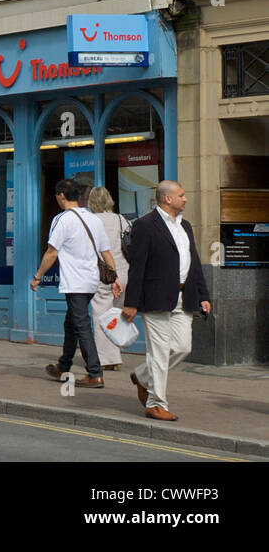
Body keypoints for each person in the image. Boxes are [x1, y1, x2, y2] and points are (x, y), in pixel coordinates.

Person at [122, 180, 211, 422]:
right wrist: (131, 302)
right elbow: (137, 266)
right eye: (181, 195)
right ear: (167, 199)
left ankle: (141, 375)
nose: (186, 199)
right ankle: (155, 404)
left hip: (185, 296)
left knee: (183, 347)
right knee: (159, 353)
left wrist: (203, 295)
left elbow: (194, 263)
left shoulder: (186, 226)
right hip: (156, 297)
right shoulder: (145, 226)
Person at [30, 179, 121, 388]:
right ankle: (63, 365)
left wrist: (38, 276)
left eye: (56, 195)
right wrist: (114, 278)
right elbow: (105, 252)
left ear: (61, 195)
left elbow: (52, 252)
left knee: (81, 325)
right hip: (90, 281)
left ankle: (95, 373)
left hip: (75, 282)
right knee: (71, 324)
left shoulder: (63, 220)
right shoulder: (93, 219)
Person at [86, 185, 129, 370]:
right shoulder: (121, 220)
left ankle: (107, 359)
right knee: (117, 315)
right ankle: (116, 357)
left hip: (103, 274)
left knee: (100, 316)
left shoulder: (89, 221)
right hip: (124, 272)